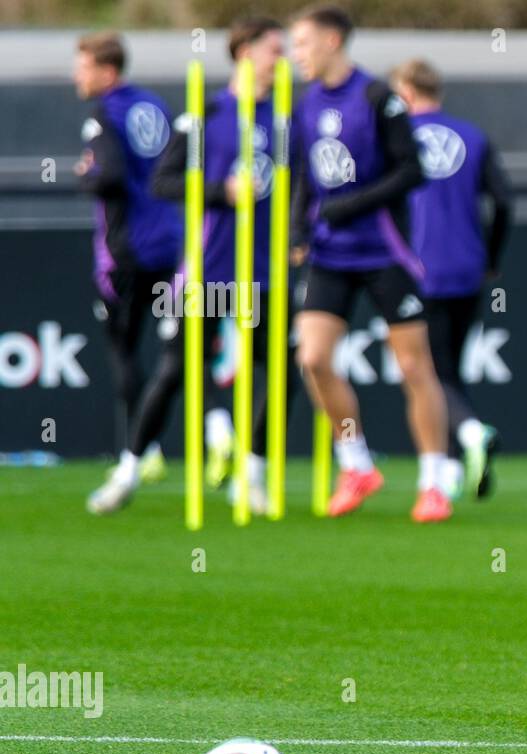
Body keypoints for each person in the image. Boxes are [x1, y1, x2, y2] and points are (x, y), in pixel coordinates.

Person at [87, 17, 297, 516]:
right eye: (273, 49)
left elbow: (304, 184)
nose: (281, 58)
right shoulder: (207, 115)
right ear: (245, 52)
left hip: (265, 273)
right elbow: (164, 182)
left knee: (281, 370)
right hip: (208, 272)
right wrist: (221, 193)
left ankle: (252, 470)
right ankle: (129, 469)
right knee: (177, 369)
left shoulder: (288, 117)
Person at [289, 5, 452, 522]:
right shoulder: (306, 102)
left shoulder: (379, 97)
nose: (298, 55)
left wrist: (351, 205)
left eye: (304, 44)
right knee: (312, 358)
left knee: (412, 366)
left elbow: (413, 170)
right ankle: (356, 462)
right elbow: (303, 176)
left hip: (385, 253)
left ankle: (432, 483)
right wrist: (299, 230)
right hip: (331, 255)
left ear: (333, 40)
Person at [390, 58, 512, 500]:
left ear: (405, 92)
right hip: (467, 268)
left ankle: (471, 435)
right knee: (447, 370)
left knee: (427, 373)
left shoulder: (398, 138)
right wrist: (491, 258)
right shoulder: (473, 136)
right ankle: (454, 466)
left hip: (418, 269)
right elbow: (503, 202)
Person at [74, 31, 180, 499]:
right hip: (170, 241)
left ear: (107, 70)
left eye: (84, 65)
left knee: (123, 347)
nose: (76, 75)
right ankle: (217, 431)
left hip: (127, 248)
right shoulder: (155, 104)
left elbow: (111, 176)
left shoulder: (106, 113)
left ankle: (146, 449)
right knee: (182, 344)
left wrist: (87, 175)